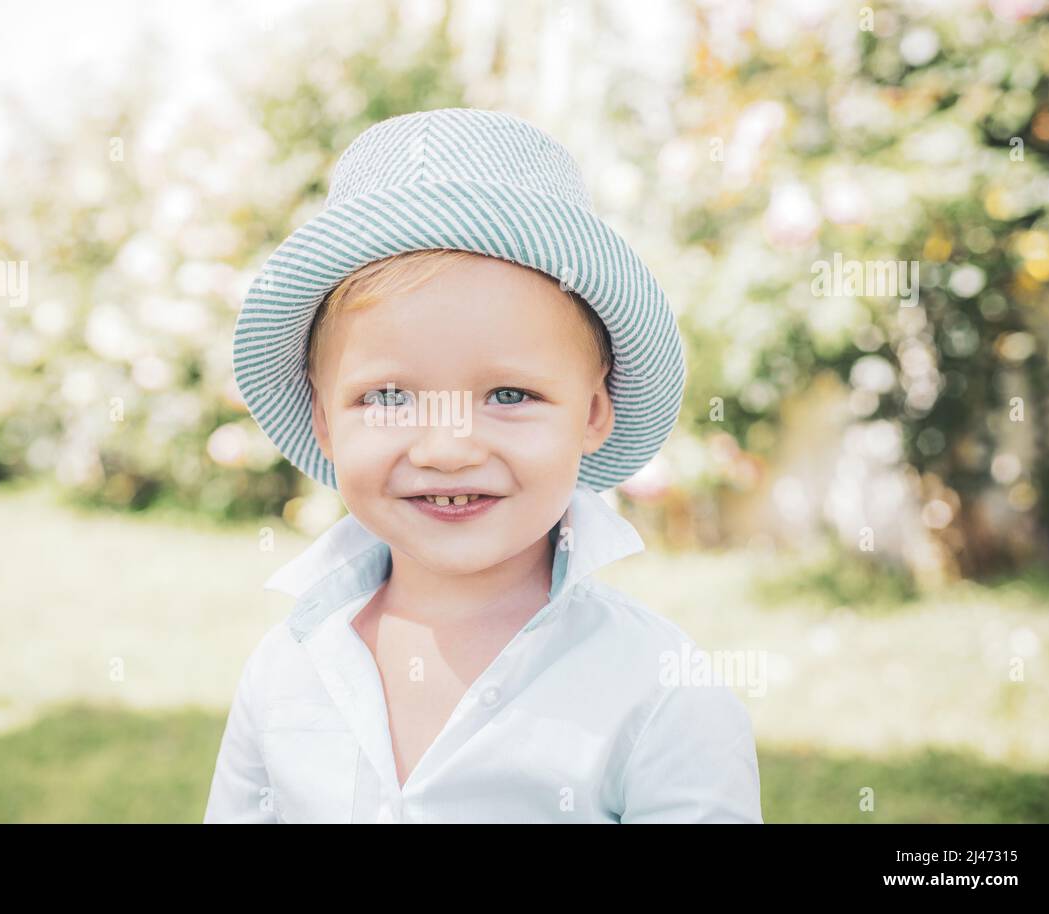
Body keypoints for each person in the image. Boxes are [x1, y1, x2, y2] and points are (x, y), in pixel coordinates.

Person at [204, 108, 762, 824]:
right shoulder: (287, 669)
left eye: (509, 394)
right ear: (323, 419)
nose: (447, 447)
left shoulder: (661, 694)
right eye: (389, 396)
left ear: (593, 412)